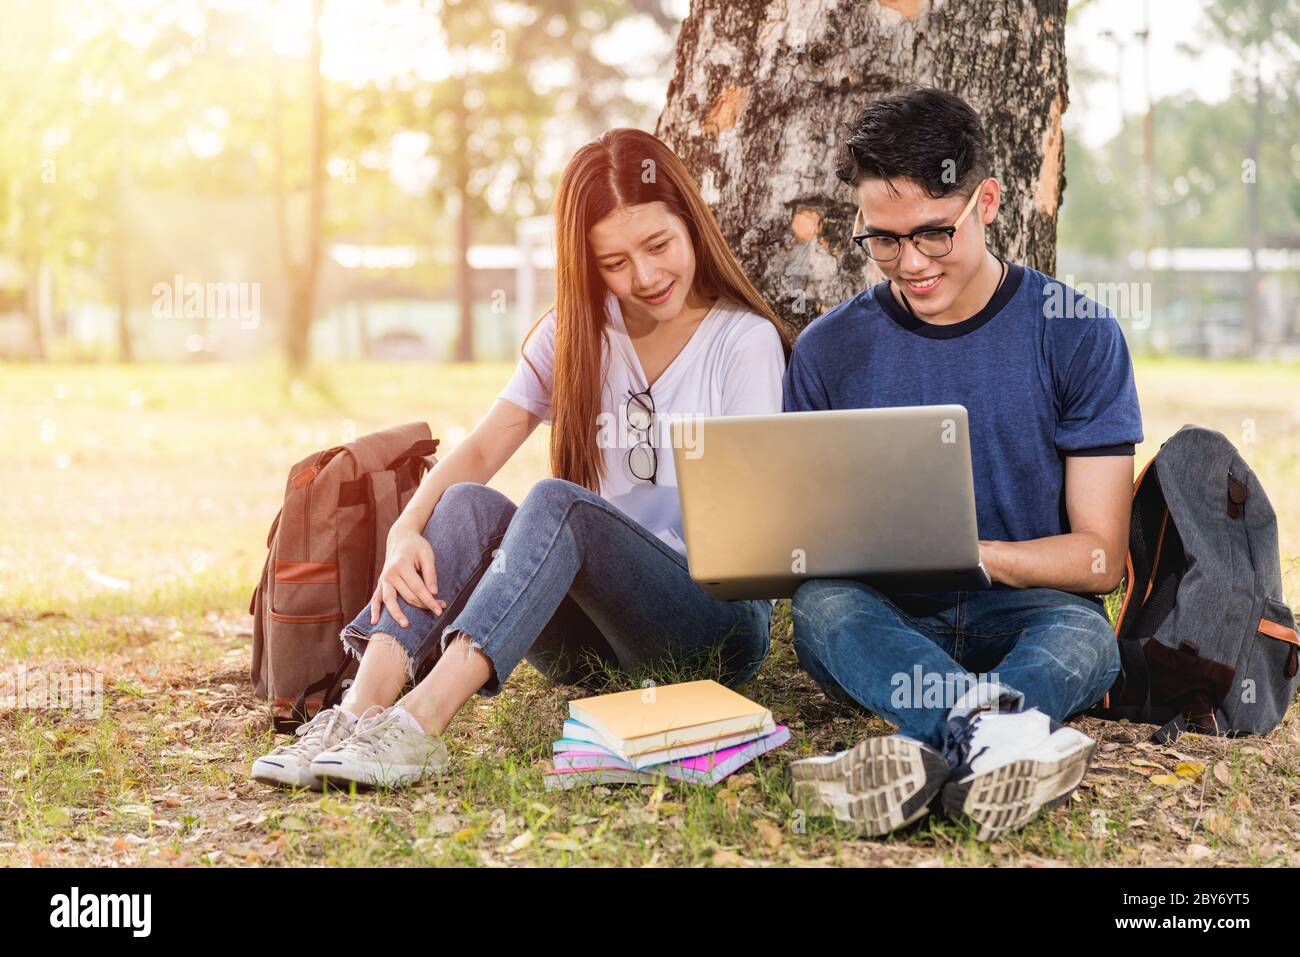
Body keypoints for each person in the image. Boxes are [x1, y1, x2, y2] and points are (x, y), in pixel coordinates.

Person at [252, 128, 790, 790]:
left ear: (692, 225)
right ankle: (358, 712)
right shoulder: (572, 333)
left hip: (711, 628)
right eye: (615, 262)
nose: (645, 277)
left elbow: (754, 539)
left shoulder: (743, 342)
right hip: (590, 650)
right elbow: (481, 446)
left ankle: (419, 722)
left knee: (556, 500)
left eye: (658, 245)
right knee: (465, 504)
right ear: (586, 263)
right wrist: (405, 528)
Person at [784, 88, 1142, 841]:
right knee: (821, 608)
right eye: (883, 240)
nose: (909, 264)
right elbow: (806, 539)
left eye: (933, 234)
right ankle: (996, 740)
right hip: (888, 613)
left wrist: (980, 557)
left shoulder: (1078, 335)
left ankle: (930, 752)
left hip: (1027, 609)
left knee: (1087, 638)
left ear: (987, 200)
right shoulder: (826, 352)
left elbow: (1102, 556)